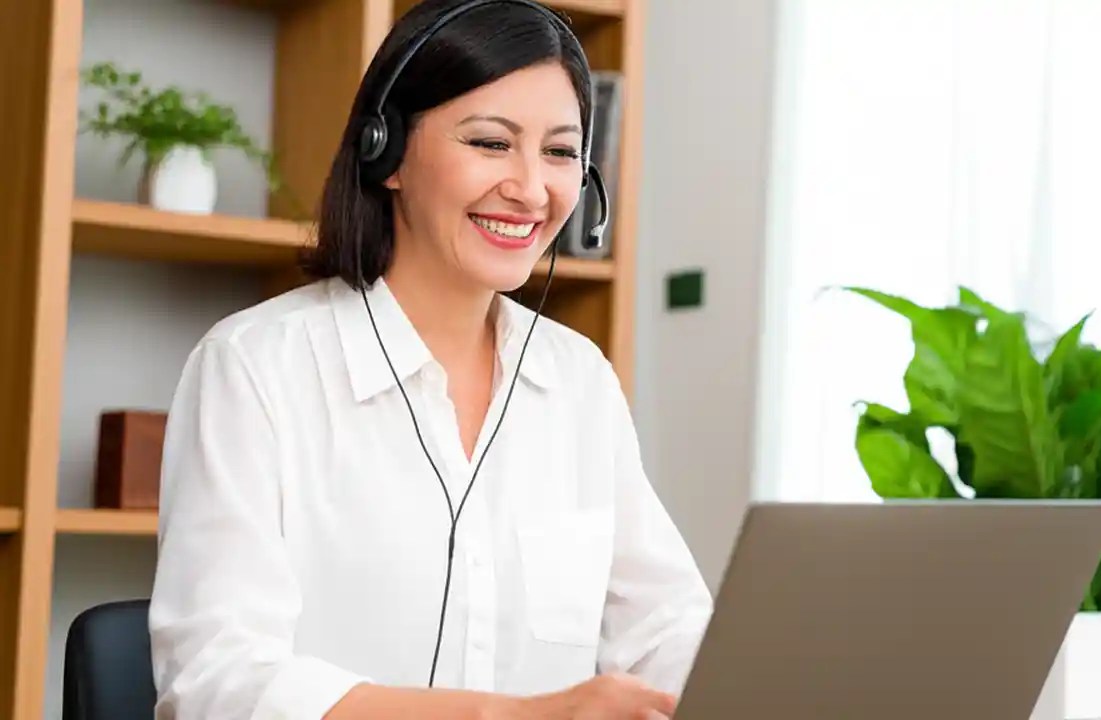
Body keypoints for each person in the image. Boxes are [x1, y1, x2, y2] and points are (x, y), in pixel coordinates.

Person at [147, 1, 713, 718]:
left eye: (561, 152)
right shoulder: (256, 367)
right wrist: (512, 717)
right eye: (490, 142)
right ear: (386, 154)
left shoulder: (578, 382)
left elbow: (667, 629)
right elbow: (219, 684)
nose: (532, 189)